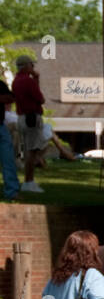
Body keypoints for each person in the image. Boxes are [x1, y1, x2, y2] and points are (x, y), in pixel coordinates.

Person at [11, 54, 46, 193]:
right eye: (32, 65)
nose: (33, 67)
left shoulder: (16, 81)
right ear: (26, 66)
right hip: (31, 117)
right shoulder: (28, 81)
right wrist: (36, 80)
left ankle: (28, 181)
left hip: (21, 117)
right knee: (32, 151)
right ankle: (29, 182)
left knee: (28, 150)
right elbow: (40, 98)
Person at [0, 75, 20, 199]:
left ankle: (12, 192)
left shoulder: (0, 84)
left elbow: (11, 98)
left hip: (1, 126)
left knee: (8, 160)